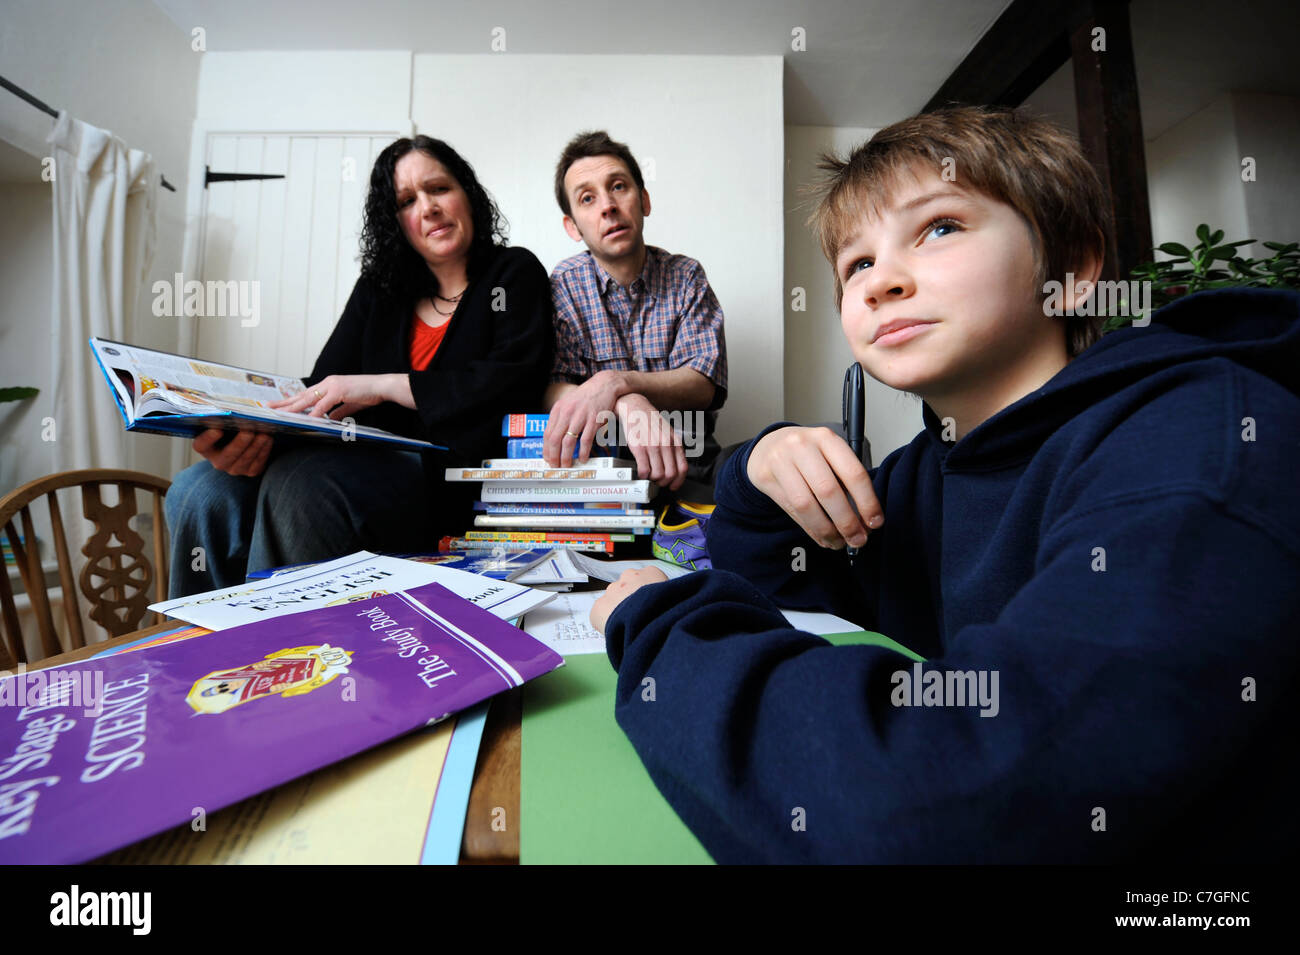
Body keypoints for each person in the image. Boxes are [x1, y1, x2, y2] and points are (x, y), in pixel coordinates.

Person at [589, 106, 1300, 863]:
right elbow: (775, 586)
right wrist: (759, 470)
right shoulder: (931, 469)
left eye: (939, 229)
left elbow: (934, 808)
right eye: (855, 264)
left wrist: (658, 627)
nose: (881, 281)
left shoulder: (1196, 438)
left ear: (1073, 268)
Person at [165, 136, 552, 597]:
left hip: (449, 480)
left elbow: (513, 384)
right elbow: (325, 385)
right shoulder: (380, 290)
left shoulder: (513, 272)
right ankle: (206, 647)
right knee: (199, 490)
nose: (428, 208)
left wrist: (384, 386)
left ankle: (290, 650)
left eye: (439, 189)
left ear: (466, 193)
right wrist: (250, 433)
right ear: (396, 223)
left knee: (302, 484)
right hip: (352, 460)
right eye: (407, 200)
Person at [541, 131, 727, 493]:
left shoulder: (686, 275)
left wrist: (616, 383)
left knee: (746, 497)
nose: (607, 206)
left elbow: (704, 384)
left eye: (618, 187)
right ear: (572, 226)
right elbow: (548, 388)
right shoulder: (562, 284)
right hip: (596, 462)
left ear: (644, 200)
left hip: (690, 458)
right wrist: (627, 400)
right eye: (587, 198)